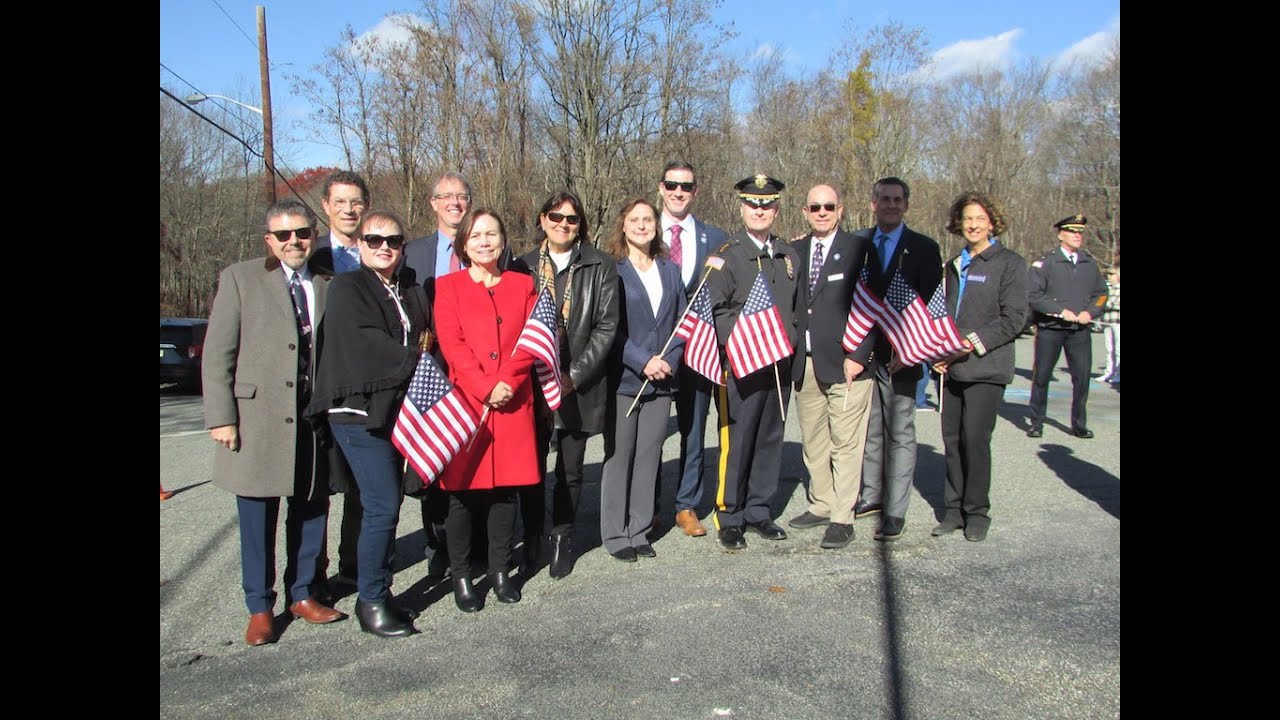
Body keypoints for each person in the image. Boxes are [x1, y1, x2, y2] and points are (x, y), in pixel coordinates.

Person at [203, 198, 347, 646]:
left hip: (313, 419)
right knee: (257, 520)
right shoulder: (240, 278)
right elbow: (218, 354)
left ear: (314, 236)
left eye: (302, 233)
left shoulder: (329, 282)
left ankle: (302, 593)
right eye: (283, 234)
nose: (294, 241)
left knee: (311, 512)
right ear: (269, 239)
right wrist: (221, 418)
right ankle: (260, 606)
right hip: (257, 418)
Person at [305, 209, 429, 638]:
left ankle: (380, 589)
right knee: (383, 503)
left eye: (392, 240)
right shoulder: (348, 287)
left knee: (381, 503)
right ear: (359, 246)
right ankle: (371, 599)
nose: (383, 247)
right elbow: (366, 342)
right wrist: (417, 360)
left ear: (402, 247)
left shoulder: (407, 288)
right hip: (357, 413)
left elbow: (424, 332)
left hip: (395, 411)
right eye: (374, 240)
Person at [433, 209, 541, 611]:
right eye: (476, 235)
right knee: (461, 497)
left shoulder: (522, 284)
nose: (484, 242)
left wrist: (507, 382)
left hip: (512, 402)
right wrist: (484, 387)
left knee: (505, 495)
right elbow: (452, 345)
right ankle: (462, 577)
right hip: (468, 404)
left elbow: (532, 340)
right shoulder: (448, 287)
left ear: (503, 240)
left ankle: (500, 571)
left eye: (491, 234)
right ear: (464, 243)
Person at [514, 191, 619, 579]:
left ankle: (562, 537)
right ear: (543, 219)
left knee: (570, 469)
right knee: (530, 466)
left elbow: (606, 327)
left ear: (581, 225)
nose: (563, 224)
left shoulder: (600, 265)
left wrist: (573, 377)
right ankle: (532, 538)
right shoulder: (521, 266)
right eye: (556, 217)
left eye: (572, 219)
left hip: (579, 384)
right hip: (531, 383)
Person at [707, 174, 800, 550]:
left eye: (767, 205)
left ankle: (759, 510)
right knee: (738, 442)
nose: (759, 211)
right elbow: (716, 312)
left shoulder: (788, 255)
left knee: (769, 439)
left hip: (778, 367)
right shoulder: (726, 256)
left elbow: (796, 311)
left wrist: (791, 348)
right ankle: (730, 515)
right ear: (741, 208)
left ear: (776, 209)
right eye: (752, 204)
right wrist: (753, 342)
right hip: (741, 367)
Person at [930, 192, 1027, 542]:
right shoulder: (954, 264)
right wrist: (937, 351)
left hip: (985, 366)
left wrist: (968, 344)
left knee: (975, 440)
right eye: (967, 218)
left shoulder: (1009, 263)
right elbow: (942, 314)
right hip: (950, 367)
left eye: (980, 219)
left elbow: (1014, 318)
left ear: (992, 223)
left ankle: (976, 512)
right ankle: (953, 510)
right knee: (952, 440)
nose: (973, 225)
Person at [854, 177, 943, 541]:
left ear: (906, 205)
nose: (890, 205)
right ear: (872, 204)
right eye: (884, 199)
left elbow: (932, 307)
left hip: (902, 355)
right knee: (871, 429)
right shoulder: (857, 242)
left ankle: (894, 509)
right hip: (863, 353)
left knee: (901, 431)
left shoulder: (924, 248)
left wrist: (913, 352)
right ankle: (872, 494)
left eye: (897, 200)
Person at [786, 184, 874, 550]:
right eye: (815, 207)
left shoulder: (860, 250)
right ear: (805, 212)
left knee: (846, 442)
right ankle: (821, 503)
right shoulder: (794, 251)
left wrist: (860, 355)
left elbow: (874, 305)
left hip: (847, 363)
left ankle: (842, 516)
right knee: (814, 440)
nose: (821, 212)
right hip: (806, 362)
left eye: (828, 206)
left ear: (840, 209)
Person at [399, 171, 476, 584]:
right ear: (433, 203)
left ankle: (473, 541)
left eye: (461, 196)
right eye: (446, 196)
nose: (454, 203)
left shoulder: (485, 244)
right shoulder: (412, 253)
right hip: (429, 369)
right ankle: (438, 544)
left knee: (471, 453)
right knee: (432, 457)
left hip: (474, 367)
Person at [600, 198, 686, 561]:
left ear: (656, 225)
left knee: (649, 455)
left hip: (662, 380)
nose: (641, 225)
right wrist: (642, 361)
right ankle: (614, 533)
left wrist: (669, 361)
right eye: (634, 219)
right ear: (623, 225)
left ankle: (639, 529)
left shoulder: (670, 271)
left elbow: (682, 322)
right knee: (620, 456)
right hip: (625, 379)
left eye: (647, 219)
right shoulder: (611, 270)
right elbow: (608, 328)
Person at [657, 161, 727, 537]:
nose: (678, 192)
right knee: (650, 433)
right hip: (654, 351)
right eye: (672, 185)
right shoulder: (642, 229)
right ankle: (646, 505)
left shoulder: (715, 238)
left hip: (698, 349)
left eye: (686, 186)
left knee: (694, 430)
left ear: (695, 191)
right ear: (661, 187)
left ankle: (686, 505)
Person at [312, 170, 370, 594]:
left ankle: (353, 565)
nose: (349, 210)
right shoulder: (309, 255)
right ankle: (312, 575)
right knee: (316, 489)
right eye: (341, 202)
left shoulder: (379, 250)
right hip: (319, 387)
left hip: (366, 390)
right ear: (326, 206)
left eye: (356, 202)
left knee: (361, 488)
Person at [1026, 214, 1108, 439]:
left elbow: (1101, 293)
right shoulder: (1046, 263)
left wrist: (1090, 312)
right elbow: (1033, 295)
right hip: (1051, 328)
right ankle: (1036, 422)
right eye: (1072, 231)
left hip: (1079, 331)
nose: (1077, 235)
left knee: (1081, 378)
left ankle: (1079, 424)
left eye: (1080, 232)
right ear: (1061, 235)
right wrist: (1060, 311)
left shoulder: (1089, 263)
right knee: (1042, 376)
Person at [1098, 267, 1120, 385]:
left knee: (1118, 349)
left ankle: (1118, 374)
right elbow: (1099, 303)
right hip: (1107, 321)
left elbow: (1116, 304)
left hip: (1117, 322)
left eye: (1112, 274)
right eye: (1108, 274)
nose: (1109, 276)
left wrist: (1107, 304)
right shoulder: (1106, 289)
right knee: (1109, 349)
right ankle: (1109, 372)